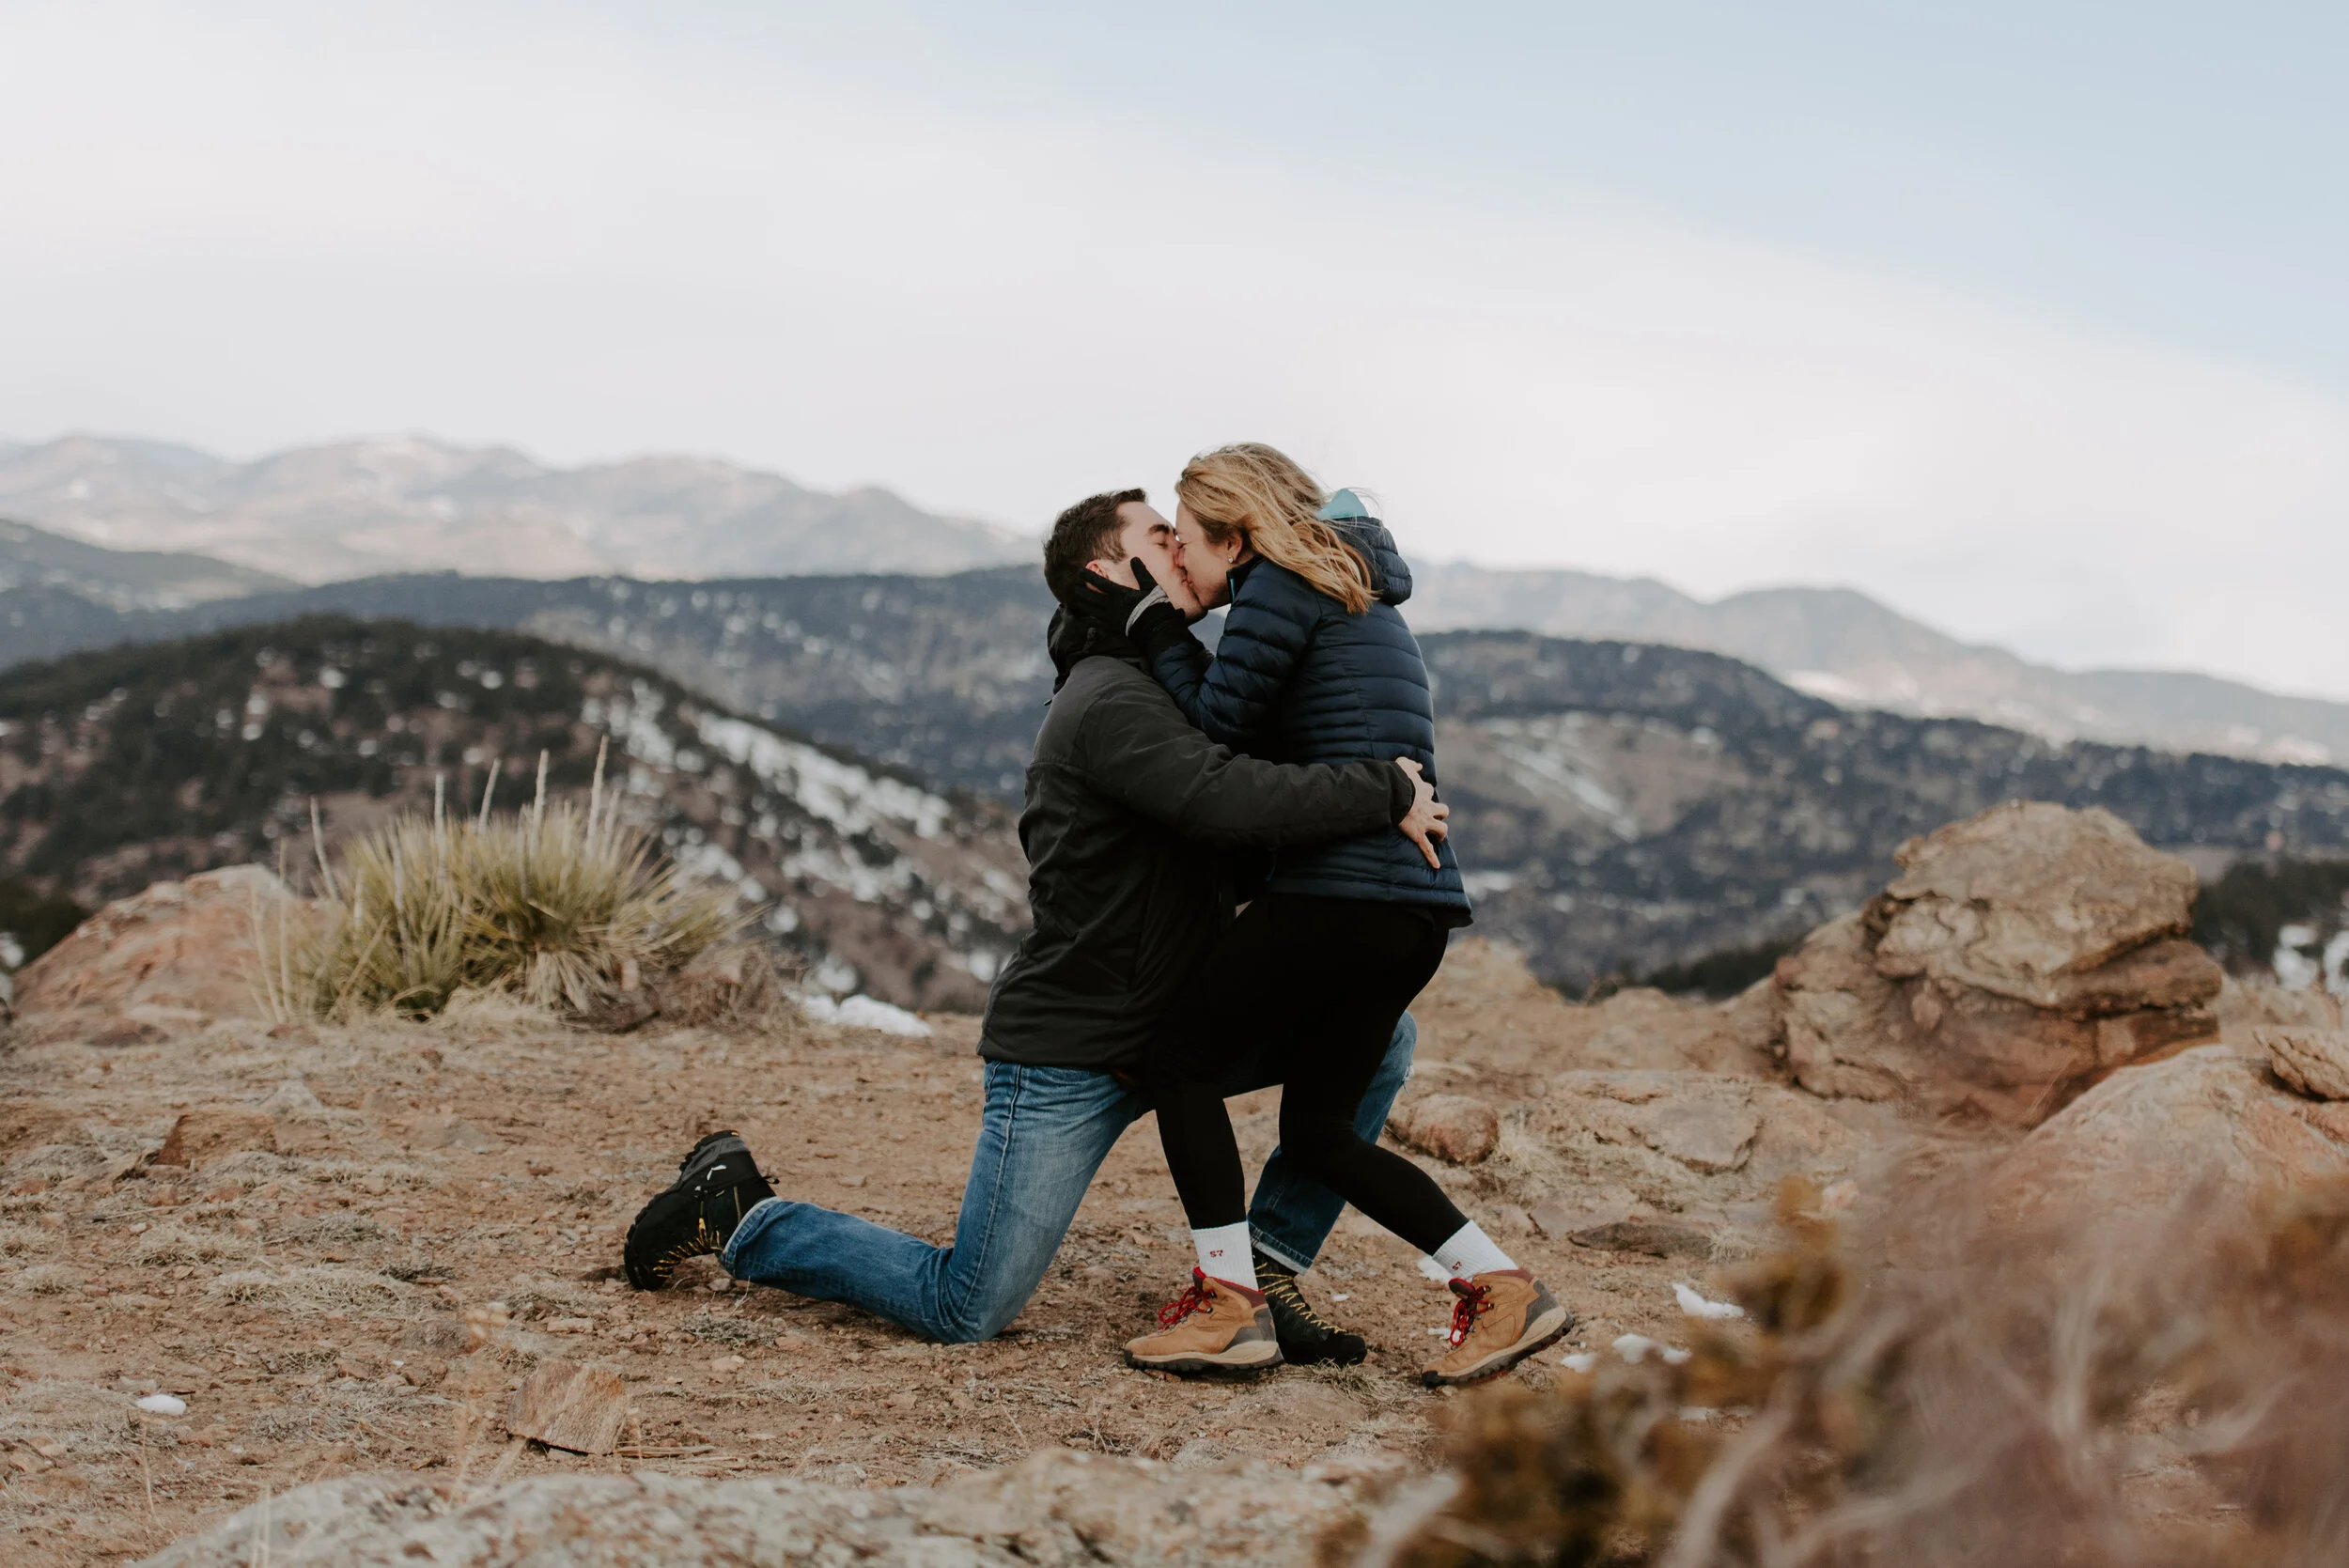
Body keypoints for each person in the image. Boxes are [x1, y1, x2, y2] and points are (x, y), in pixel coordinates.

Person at [620, 487, 1449, 1363]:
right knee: (966, 1303)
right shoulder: (1110, 698)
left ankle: (1263, 1270)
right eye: (1160, 538)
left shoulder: (1174, 686)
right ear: (1109, 571)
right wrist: (1381, 788)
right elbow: (1226, 801)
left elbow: (1240, 847)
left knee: (1379, 1040)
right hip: (1075, 1050)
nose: (1185, 548)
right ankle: (742, 1213)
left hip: (1176, 1031)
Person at [1081, 443, 1571, 1388]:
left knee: (1176, 1057)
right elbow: (1283, 738)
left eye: (1187, 540)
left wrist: (1151, 625)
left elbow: (1216, 730)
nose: (1179, 557)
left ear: (1235, 537)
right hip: (1411, 910)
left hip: (1341, 897)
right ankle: (1501, 1287)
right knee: (1320, 1135)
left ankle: (1227, 1305)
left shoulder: (1279, 586)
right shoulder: (1348, 589)